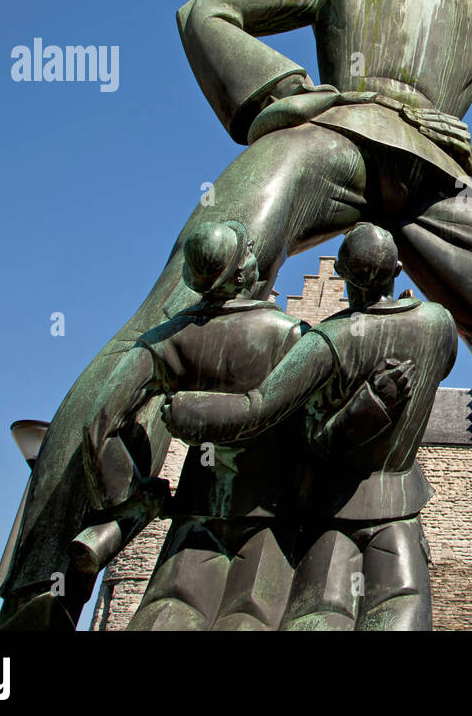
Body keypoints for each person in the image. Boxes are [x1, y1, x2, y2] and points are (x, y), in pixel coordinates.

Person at [0, 0, 472, 631]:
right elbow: (210, 12)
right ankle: (37, 595)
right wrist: (290, 96)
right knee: (186, 293)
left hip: (440, 191)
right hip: (329, 144)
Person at [160, 223, 456, 630]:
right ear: (399, 269)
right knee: (402, 611)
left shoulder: (328, 339)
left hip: (331, 518)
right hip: (401, 513)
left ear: (341, 275)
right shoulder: (439, 325)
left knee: (319, 616)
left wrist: (185, 410)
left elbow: (261, 410)